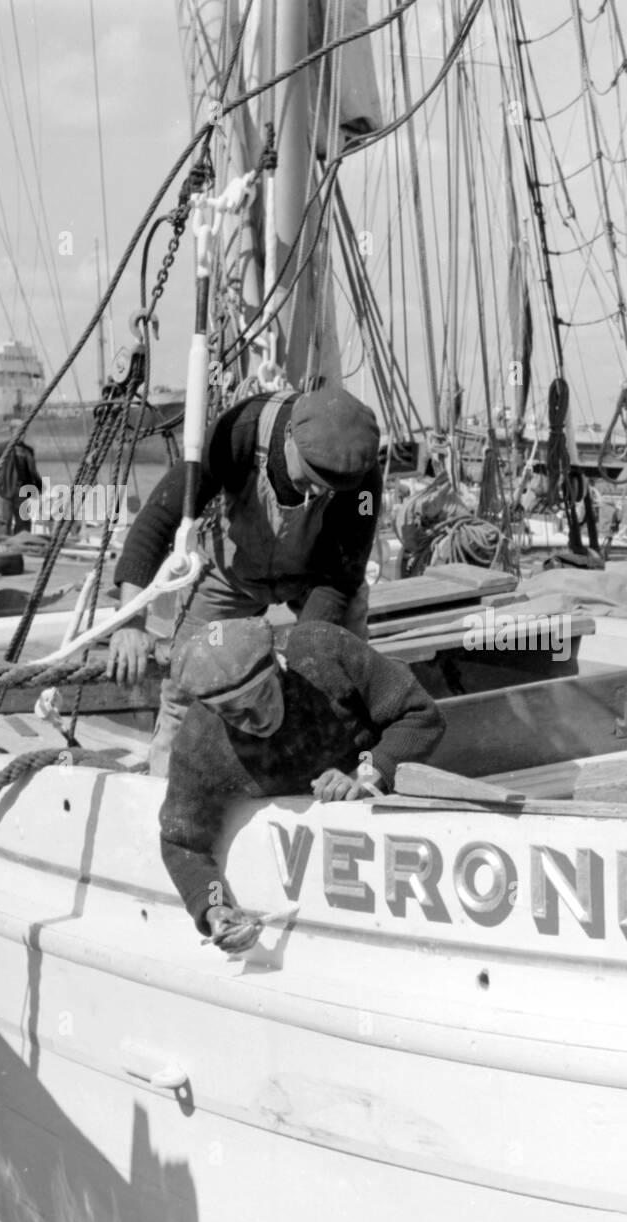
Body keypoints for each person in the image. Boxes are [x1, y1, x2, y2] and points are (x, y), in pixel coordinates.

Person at [107, 384, 383, 775]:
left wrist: (302, 661)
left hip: (316, 578)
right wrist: (130, 622)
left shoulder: (361, 477)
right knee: (189, 688)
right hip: (232, 571)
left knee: (341, 680)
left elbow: (338, 581)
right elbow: (158, 519)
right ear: (288, 437)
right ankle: (168, 783)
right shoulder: (241, 430)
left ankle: (348, 773)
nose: (316, 493)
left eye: (328, 489)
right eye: (307, 482)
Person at [159, 617, 445, 954]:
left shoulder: (323, 651)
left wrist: (364, 776)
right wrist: (214, 909)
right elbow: (182, 841)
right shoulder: (200, 743)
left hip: (396, 823)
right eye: (234, 714)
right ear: (209, 710)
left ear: (279, 669)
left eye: (262, 695)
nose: (259, 719)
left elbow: (420, 715)